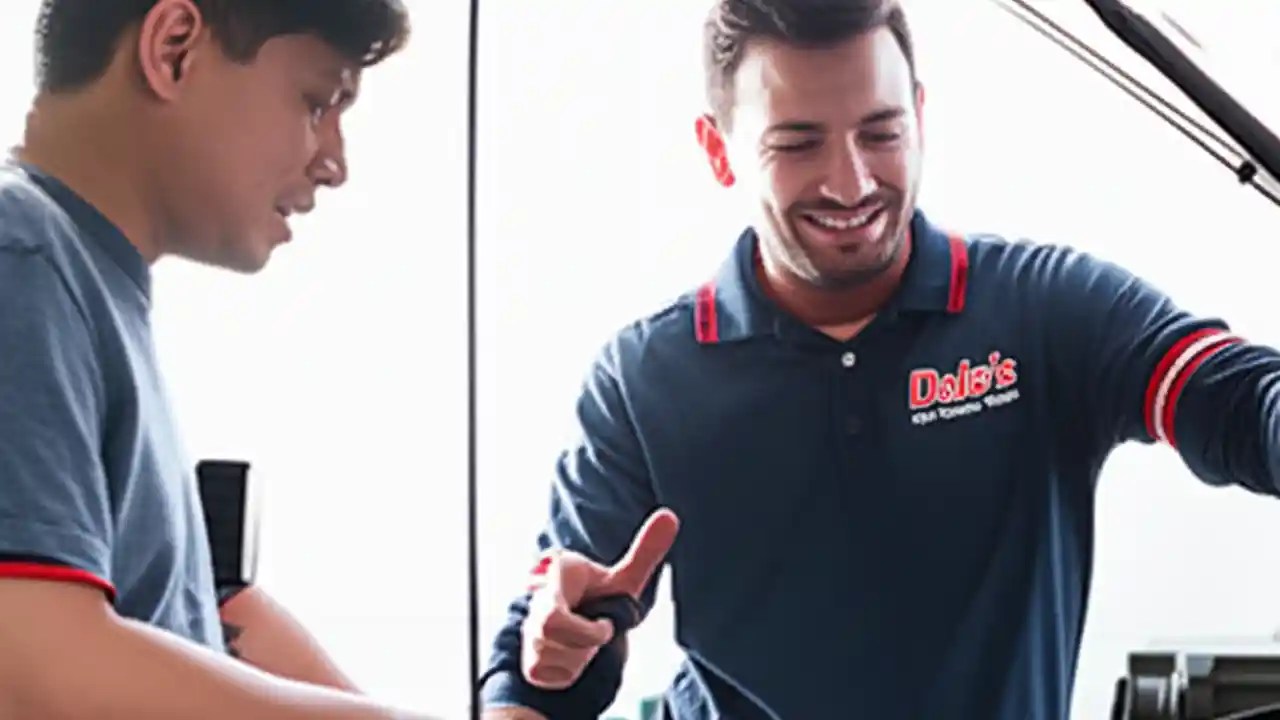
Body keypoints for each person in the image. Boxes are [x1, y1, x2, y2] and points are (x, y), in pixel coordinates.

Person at [477, 1, 1280, 718]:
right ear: (720, 151)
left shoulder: (1047, 311)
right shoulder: (643, 377)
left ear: (920, 118)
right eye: (798, 143)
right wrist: (557, 659)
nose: (850, 181)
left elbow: (1239, 404)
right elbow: (552, 643)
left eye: (880, 132)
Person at [0, 2, 437, 718]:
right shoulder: (22, 258)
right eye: (316, 102)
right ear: (174, 49)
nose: (335, 162)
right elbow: (29, 668)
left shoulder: (86, 285)